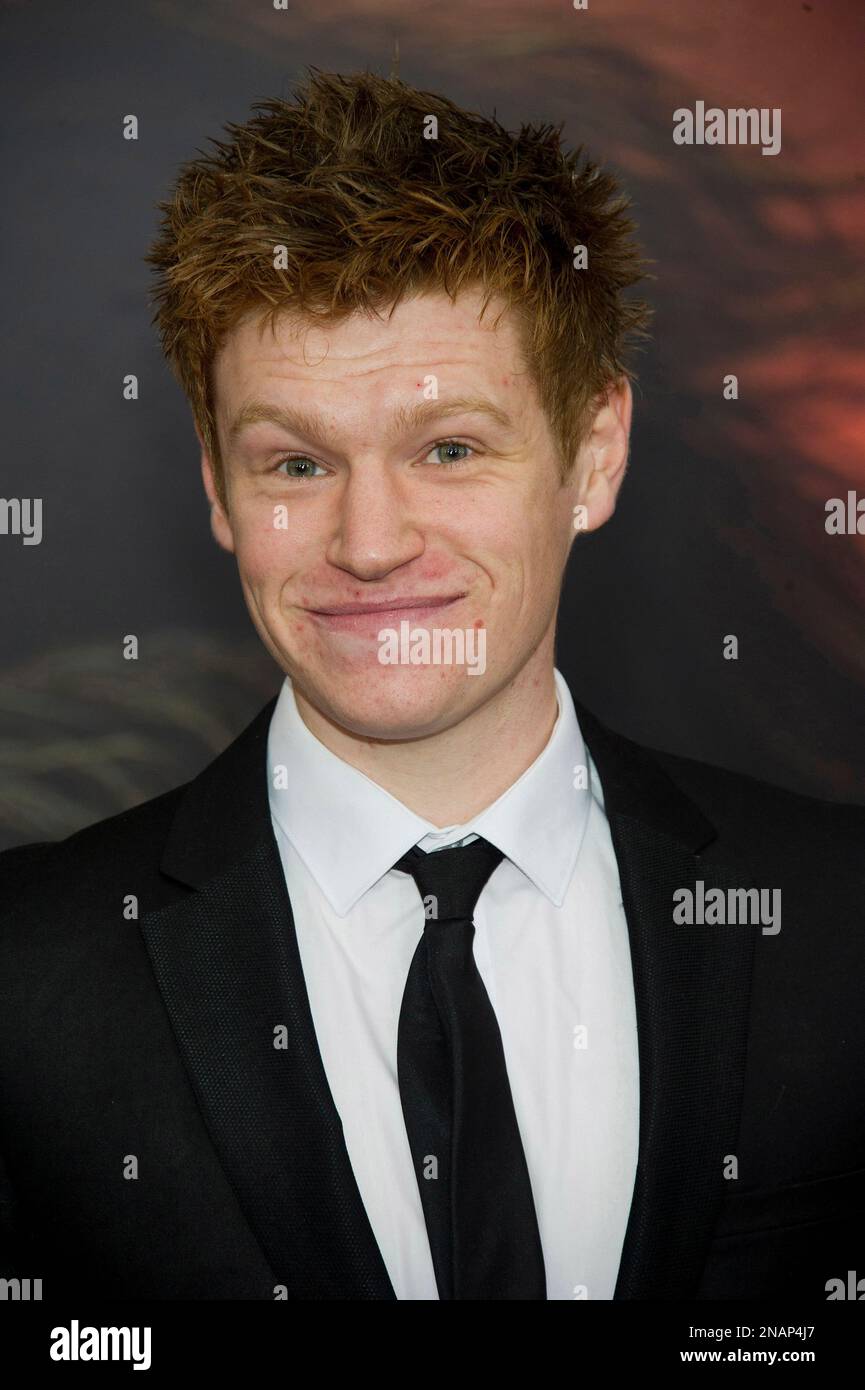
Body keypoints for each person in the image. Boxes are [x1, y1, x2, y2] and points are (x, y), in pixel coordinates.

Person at [1, 69, 863, 1302]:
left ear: (594, 453)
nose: (366, 542)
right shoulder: (27, 975)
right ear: (217, 488)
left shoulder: (838, 920)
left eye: (448, 449)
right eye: (296, 461)